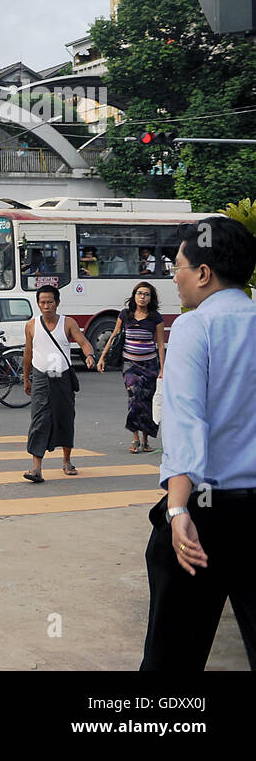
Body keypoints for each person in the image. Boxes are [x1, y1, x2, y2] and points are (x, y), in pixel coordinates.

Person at [141, 217, 256, 671]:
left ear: (204, 273)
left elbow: (186, 423)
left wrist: (177, 511)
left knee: (173, 655)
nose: (174, 276)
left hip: (207, 515)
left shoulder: (194, 327)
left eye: (180, 266)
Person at [21, 284, 95, 483]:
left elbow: (83, 341)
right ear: (38, 304)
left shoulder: (67, 323)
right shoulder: (31, 325)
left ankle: (67, 461)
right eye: (43, 302)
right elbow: (28, 354)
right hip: (40, 378)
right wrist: (26, 378)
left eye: (50, 302)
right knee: (39, 420)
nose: (46, 306)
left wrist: (89, 355)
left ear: (57, 303)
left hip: (62, 379)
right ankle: (36, 468)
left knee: (65, 418)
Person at [97, 282, 165, 453]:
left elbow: (161, 345)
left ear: (151, 298)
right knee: (134, 399)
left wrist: (163, 370)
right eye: (139, 293)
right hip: (130, 365)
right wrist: (102, 357)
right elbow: (114, 336)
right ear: (134, 296)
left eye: (147, 294)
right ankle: (135, 438)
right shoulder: (125, 315)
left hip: (150, 365)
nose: (143, 297)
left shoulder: (155, 317)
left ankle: (145, 439)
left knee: (147, 401)